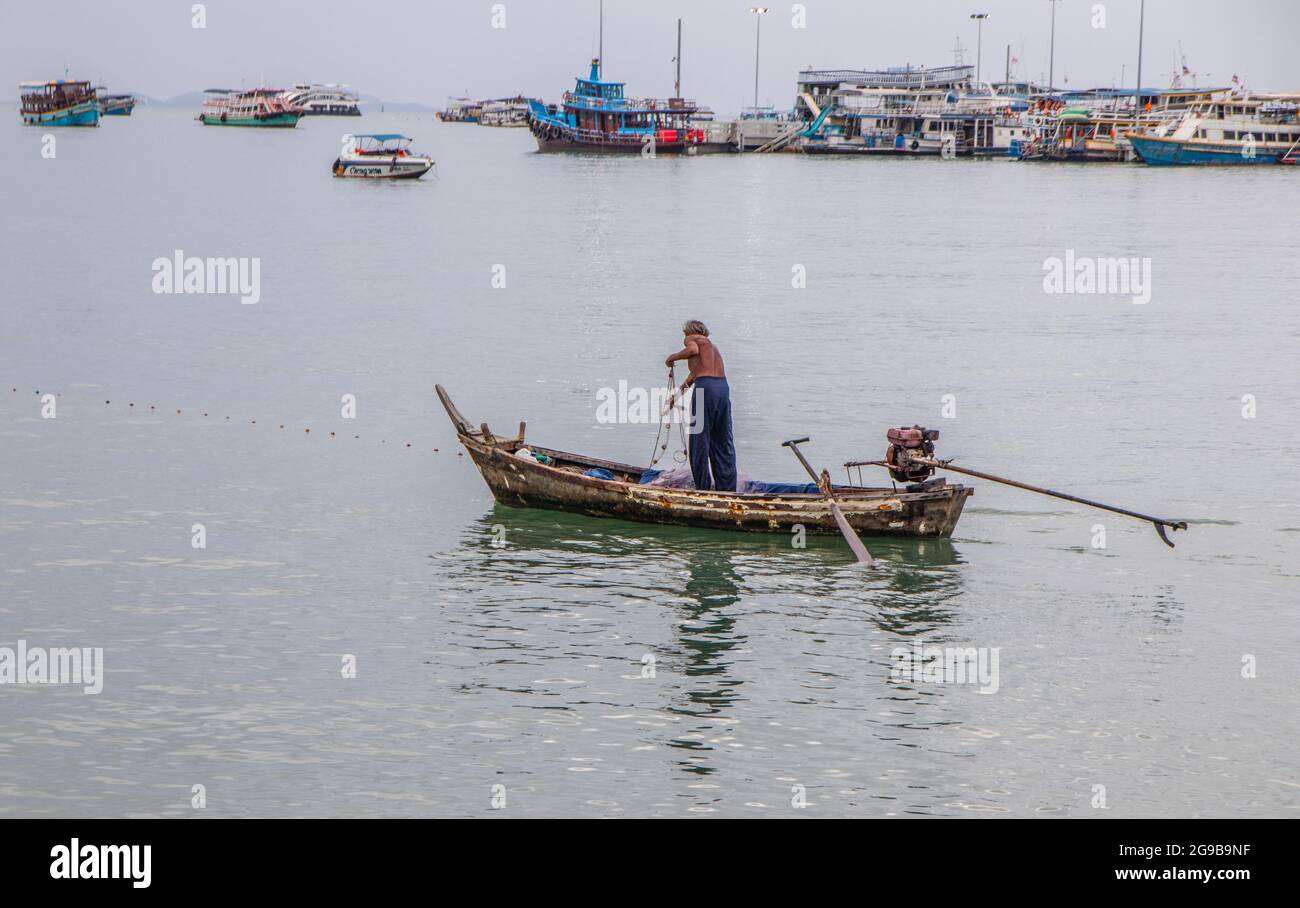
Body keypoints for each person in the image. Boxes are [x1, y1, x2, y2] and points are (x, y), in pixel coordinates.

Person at [665, 320, 736, 492]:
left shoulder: (692, 339)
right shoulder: (712, 348)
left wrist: (671, 358)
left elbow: (692, 350)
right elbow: (695, 374)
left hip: (706, 389)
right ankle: (727, 488)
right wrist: (678, 395)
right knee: (722, 440)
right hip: (722, 389)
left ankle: (702, 487)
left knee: (699, 438)